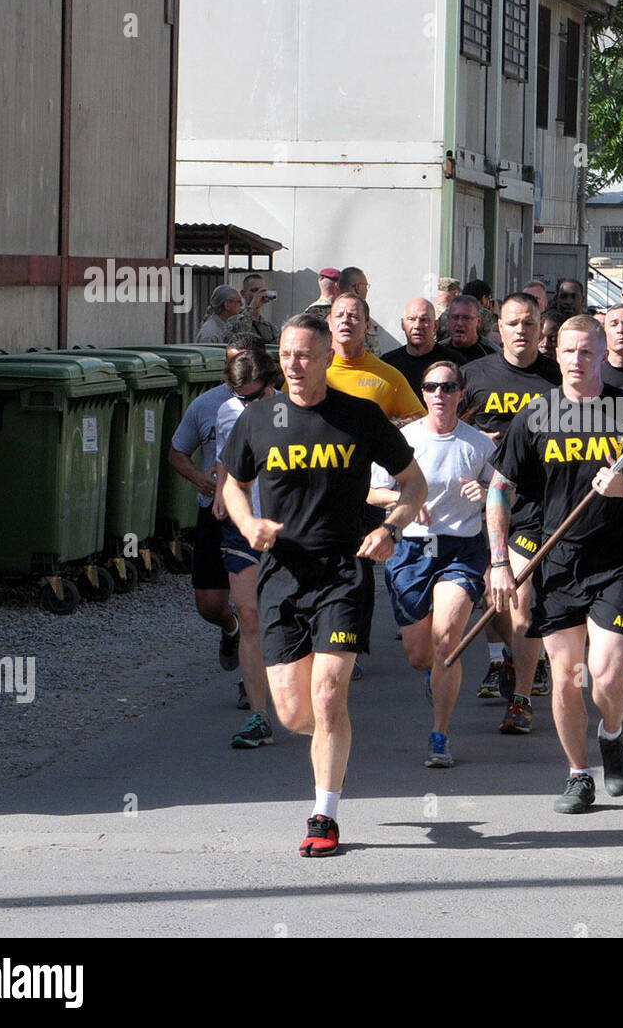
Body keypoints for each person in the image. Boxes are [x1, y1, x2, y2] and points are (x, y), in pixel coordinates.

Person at [219, 313, 427, 857]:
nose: (292, 364)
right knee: (292, 713)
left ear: (325, 358)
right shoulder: (259, 419)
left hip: (343, 570)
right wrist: (247, 524)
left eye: (304, 355)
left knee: (330, 693)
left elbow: (414, 484)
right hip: (282, 574)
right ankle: (334, 740)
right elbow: (232, 484)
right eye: (285, 355)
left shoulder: (358, 416)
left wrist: (390, 527)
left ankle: (324, 814)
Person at [486, 315, 623, 814]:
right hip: (555, 560)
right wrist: (499, 563)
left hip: (617, 560)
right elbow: (500, 490)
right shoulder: (534, 416)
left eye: (586, 353)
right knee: (568, 673)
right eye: (568, 352)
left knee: (607, 674)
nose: (576, 361)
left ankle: (611, 735)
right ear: (556, 354)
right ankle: (577, 774)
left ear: (603, 354)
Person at [371, 360, 497, 767]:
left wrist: (487, 491)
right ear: (422, 393)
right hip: (410, 551)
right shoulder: (402, 440)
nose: (439, 395)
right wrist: (405, 501)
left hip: (461, 549)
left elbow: (502, 490)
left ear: (461, 393)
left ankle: (439, 734)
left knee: (448, 641)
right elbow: (374, 493)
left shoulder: (479, 444)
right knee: (419, 654)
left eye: (448, 387)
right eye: (431, 387)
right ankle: (431, 675)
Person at [459, 294, 562, 729]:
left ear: (542, 329)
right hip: (479, 501)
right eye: (512, 323)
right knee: (492, 597)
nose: (521, 330)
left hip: (534, 506)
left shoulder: (557, 379)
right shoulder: (473, 375)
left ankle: (520, 696)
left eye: (529, 323)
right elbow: (448, 425)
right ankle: (510, 658)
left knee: (519, 598)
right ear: (497, 328)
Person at [168, 332, 270, 706]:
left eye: (244, 361)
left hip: (262, 517)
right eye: (231, 362)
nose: (237, 369)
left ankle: (252, 683)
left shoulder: (279, 405)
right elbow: (178, 453)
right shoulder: (209, 405)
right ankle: (229, 630)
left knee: (253, 607)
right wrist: (203, 481)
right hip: (217, 513)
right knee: (210, 604)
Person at [212, 349, 281, 748]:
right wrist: (224, 493)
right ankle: (259, 716)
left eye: (255, 397)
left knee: (291, 618)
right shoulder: (227, 411)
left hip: (287, 528)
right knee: (249, 615)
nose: (248, 405)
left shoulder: (290, 412)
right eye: (241, 397)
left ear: (271, 384)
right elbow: (228, 458)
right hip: (243, 528)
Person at [325, 294, 424, 422]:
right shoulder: (311, 369)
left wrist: (387, 429)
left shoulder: (388, 376)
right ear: (329, 324)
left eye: (353, 316)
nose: (345, 320)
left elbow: (421, 419)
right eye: (339, 315)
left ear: (367, 327)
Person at [380, 297, 446, 398]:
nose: (417, 326)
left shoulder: (452, 363)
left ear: (436, 325)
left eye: (424, 320)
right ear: (402, 324)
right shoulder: (387, 364)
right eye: (411, 319)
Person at [222, 273, 280, 345]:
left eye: (262, 291)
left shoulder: (270, 328)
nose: (259, 294)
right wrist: (253, 306)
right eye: (254, 290)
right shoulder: (233, 321)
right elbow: (237, 339)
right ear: (243, 294)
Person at [439, 294, 498, 362]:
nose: (459, 323)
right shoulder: (437, 352)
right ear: (448, 320)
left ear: (478, 322)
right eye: (455, 317)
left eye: (466, 318)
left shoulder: (493, 354)